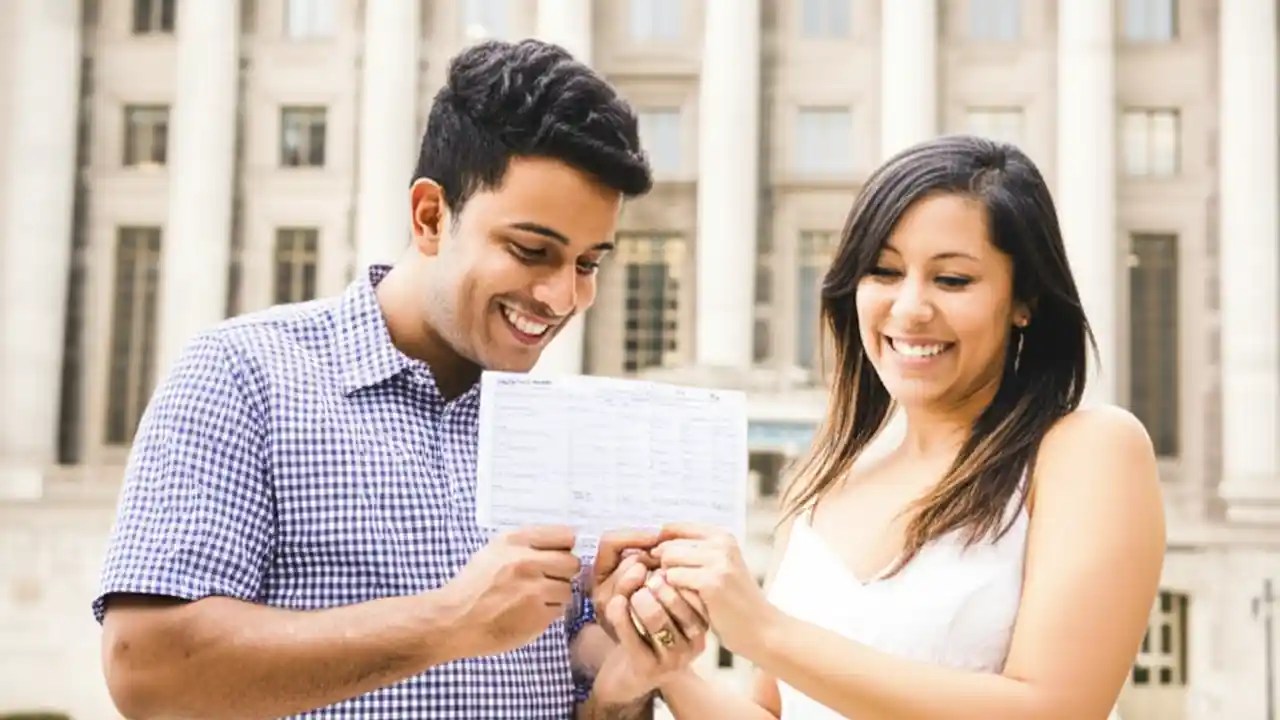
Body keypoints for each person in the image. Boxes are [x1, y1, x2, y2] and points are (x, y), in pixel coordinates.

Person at [94, 39, 706, 719]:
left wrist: (625, 677)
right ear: (430, 216)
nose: (563, 297)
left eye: (588, 264)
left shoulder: (561, 427)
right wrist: (449, 621)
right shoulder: (244, 376)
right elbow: (144, 669)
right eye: (532, 251)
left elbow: (586, 698)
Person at [637, 135, 1166, 718]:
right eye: (884, 272)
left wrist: (763, 631)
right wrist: (663, 667)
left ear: (1025, 300)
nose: (909, 308)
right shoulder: (821, 477)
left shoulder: (1087, 452)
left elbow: (1054, 709)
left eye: (952, 280)